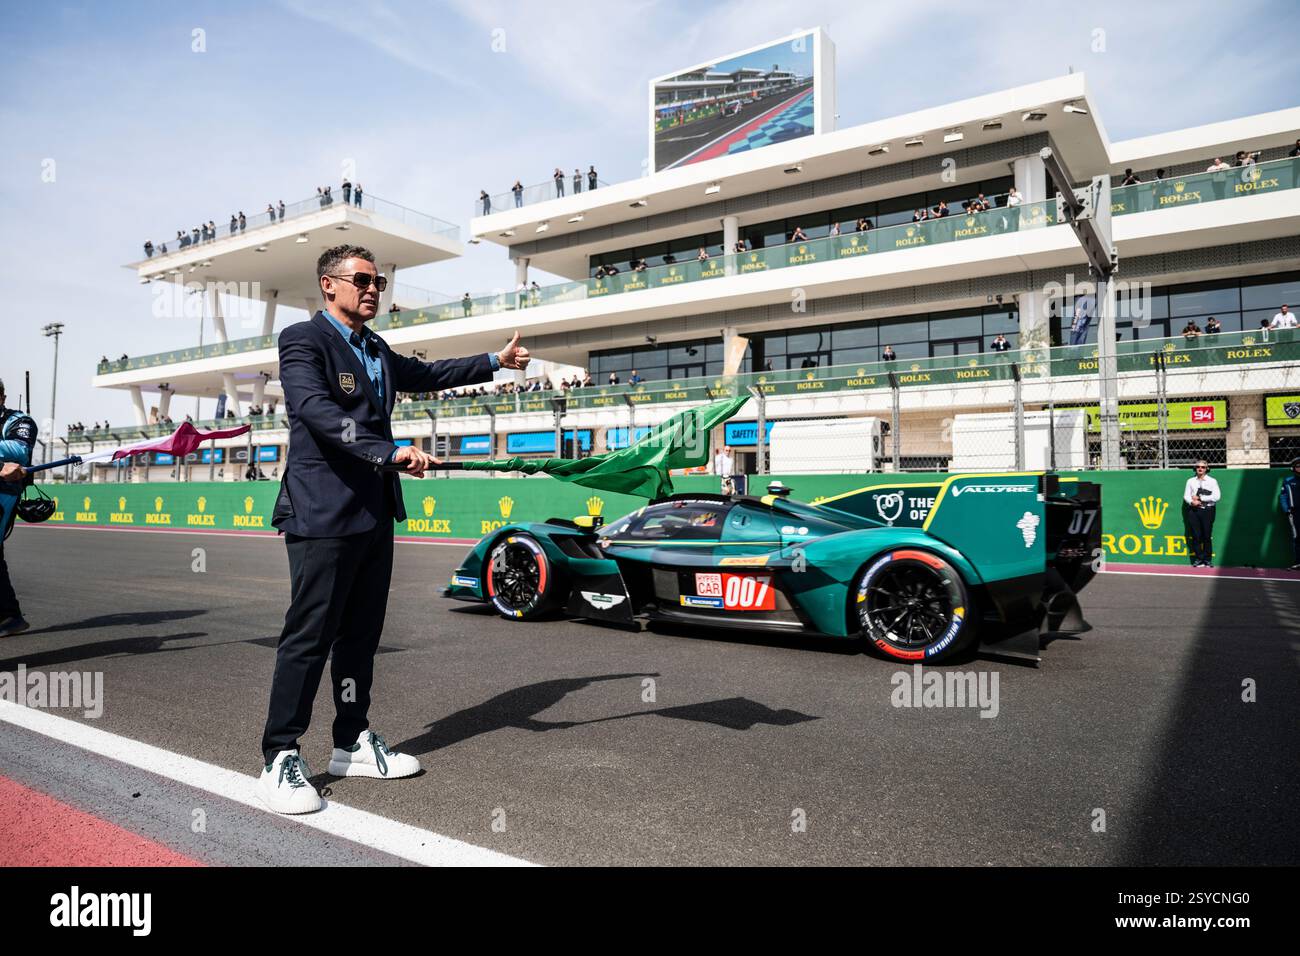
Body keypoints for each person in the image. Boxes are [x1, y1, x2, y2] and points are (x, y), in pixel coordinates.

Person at [258, 243, 530, 814]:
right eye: (362, 279)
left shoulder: (375, 347)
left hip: (374, 512)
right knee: (310, 635)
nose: (373, 289)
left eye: (378, 280)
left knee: (360, 635)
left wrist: (493, 363)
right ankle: (280, 753)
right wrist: (387, 451)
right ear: (328, 285)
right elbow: (315, 411)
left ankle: (350, 740)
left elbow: (427, 373)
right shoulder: (304, 340)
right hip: (322, 513)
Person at [0, 379, 36, 638]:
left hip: (4, 493)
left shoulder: (19, 420)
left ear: (1, 397)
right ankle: (9, 614)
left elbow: (19, 451)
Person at [1183, 460, 1221, 568]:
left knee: (1207, 536)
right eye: (1198, 467)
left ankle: (1207, 560)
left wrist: (1201, 498)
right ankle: (1199, 559)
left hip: (1208, 511)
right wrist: (1192, 502)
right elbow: (1186, 496)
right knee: (1196, 536)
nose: (1200, 469)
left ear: (1207, 469)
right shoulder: (1190, 481)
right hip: (1194, 511)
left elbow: (1217, 497)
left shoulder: (1212, 481)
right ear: (1195, 468)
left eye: (1203, 467)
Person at [1281, 456, 1300, 570]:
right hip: (1295, 513)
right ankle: (1298, 562)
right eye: (1298, 466)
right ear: (1293, 468)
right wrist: (1287, 509)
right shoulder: (1288, 481)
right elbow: (1283, 496)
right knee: (1297, 537)